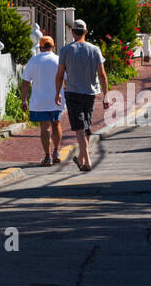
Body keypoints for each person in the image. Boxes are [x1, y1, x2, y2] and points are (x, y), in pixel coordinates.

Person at [54, 19, 110, 172]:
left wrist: (57, 93)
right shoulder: (95, 50)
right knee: (86, 126)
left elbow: (59, 75)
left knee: (79, 128)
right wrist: (106, 95)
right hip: (90, 93)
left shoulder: (65, 50)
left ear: (72, 32)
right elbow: (102, 74)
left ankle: (88, 160)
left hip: (72, 92)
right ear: (85, 32)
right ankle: (81, 158)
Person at [21, 35, 63, 166]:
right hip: (57, 98)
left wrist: (24, 100)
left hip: (39, 101)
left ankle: (47, 156)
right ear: (53, 47)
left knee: (44, 128)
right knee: (56, 124)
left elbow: (26, 82)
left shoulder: (33, 60)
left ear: (40, 47)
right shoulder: (58, 60)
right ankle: (56, 151)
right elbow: (65, 79)